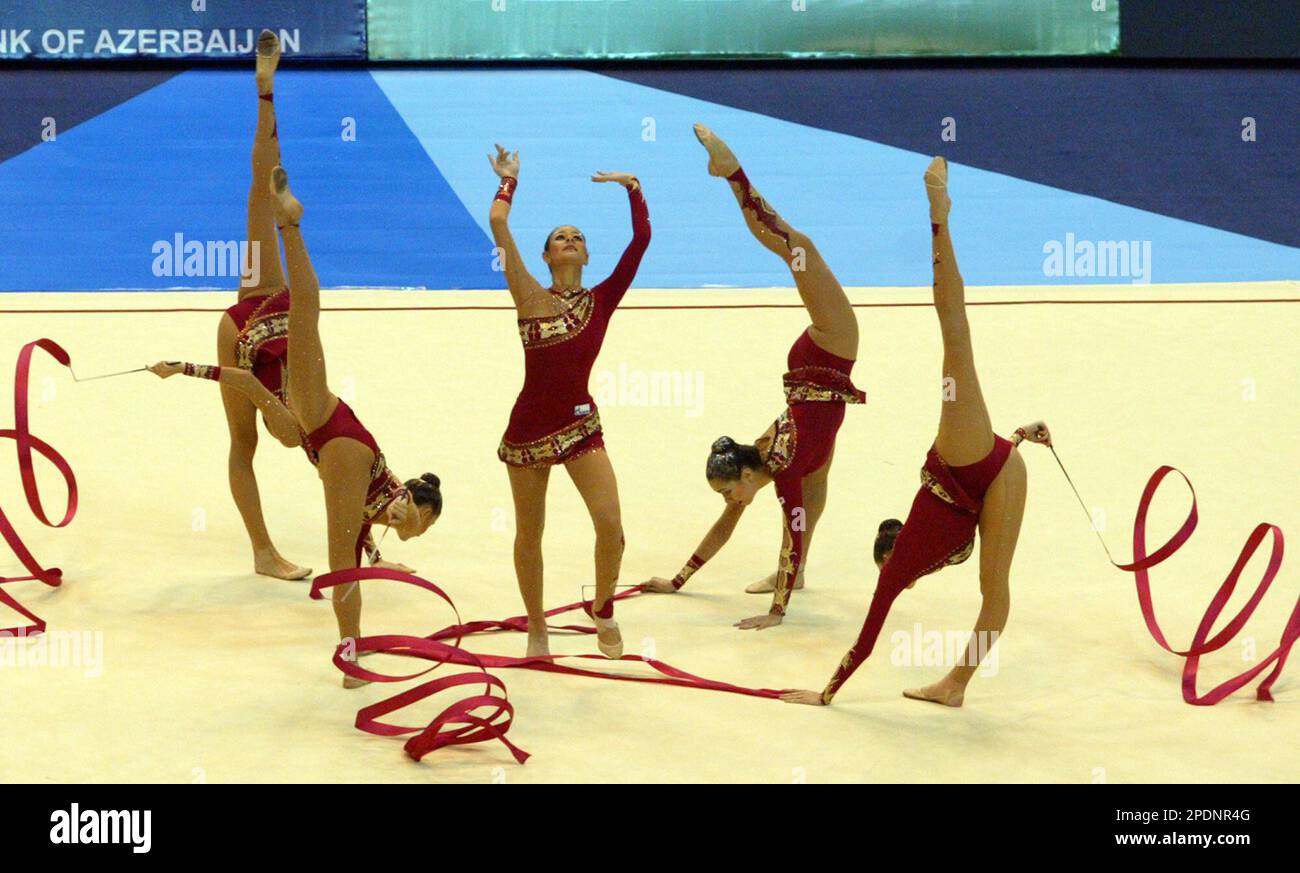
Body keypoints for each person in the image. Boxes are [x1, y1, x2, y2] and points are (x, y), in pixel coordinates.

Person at [149, 163, 442, 687]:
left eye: (406, 522)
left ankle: (351, 655)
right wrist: (187, 368)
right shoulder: (378, 485)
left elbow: (250, 384)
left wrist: (385, 547)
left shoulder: (379, 493)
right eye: (412, 519)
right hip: (333, 428)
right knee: (305, 316)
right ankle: (289, 225)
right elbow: (249, 385)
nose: (404, 524)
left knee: (307, 318)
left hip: (335, 433)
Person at [783, 157, 1049, 708]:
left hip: (968, 458)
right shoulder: (916, 558)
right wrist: (1019, 439)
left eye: (890, 565)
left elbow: (869, 633)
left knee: (955, 337)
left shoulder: (901, 564)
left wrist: (826, 692)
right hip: (996, 472)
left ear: (892, 553)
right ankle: (955, 686)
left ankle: (939, 216)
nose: (894, 577)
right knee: (994, 589)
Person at [642, 125, 864, 631]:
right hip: (822, 369)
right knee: (818, 475)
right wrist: (677, 581)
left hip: (832, 346)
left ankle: (733, 173)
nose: (729, 503)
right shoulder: (768, 464)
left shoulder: (777, 467)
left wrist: (775, 614)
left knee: (793, 244)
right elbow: (732, 527)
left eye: (727, 493)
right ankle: (799, 576)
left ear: (746, 477)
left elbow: (793, 532)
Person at [486, 144, 650, 658]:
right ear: (547, 256)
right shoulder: (529, 295)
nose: (571, 240)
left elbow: (641, 241)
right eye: (561, 238)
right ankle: (537, 628)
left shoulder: (602, 300)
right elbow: (497, 221)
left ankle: (603, 607)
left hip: (580, 425)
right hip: (529, 429)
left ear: (586, 255)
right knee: (529, 534)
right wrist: (509, 179)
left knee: (611, 525)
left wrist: (633, 187)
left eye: (578, 237)